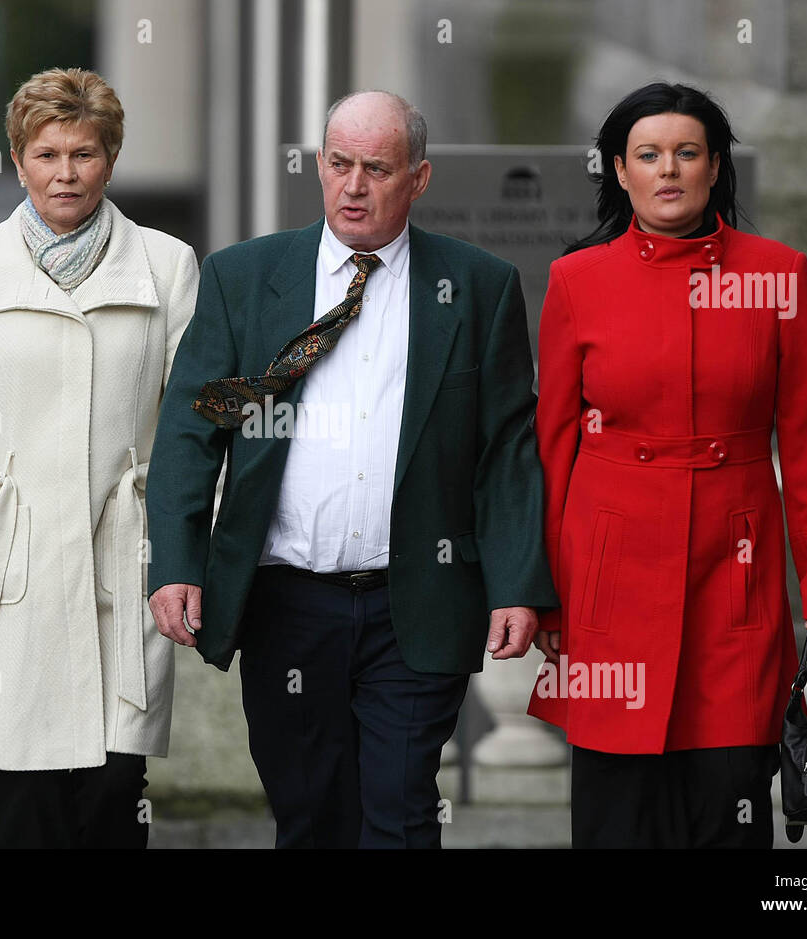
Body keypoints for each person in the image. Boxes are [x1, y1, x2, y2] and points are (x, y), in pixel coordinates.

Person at [146, 90, 557, 849]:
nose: (354, 186)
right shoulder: (243, 276)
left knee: (399, 813)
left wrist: (518, 585)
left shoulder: (477, 285)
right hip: (286, 606)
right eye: (339, 164)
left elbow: (507, 450)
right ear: (318, 165)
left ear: (420, 179)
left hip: (419, 604)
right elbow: (191, 431)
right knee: (311, 818)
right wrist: (175, 561)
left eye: (377, 168)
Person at [528, 82, 807, 848]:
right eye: (648, 155)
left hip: (732, 576)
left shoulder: (778, 272)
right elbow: (551, 447)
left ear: (715, 168)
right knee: (616, 813)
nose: (668, 170)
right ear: (619, 170)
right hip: (607, 583)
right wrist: (540, 594)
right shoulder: (577, 280)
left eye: (686, 153)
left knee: (730, 800)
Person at [0, 67, 198, 849]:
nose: (67, 172)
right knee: (12, 808)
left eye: (86, 153)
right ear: (18, 160)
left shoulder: (166, 266)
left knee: (111, 798)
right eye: (48, 153)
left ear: (112, 157)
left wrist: (184, 562)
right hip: (4, 579)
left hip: (120, 571)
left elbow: (194, 438)